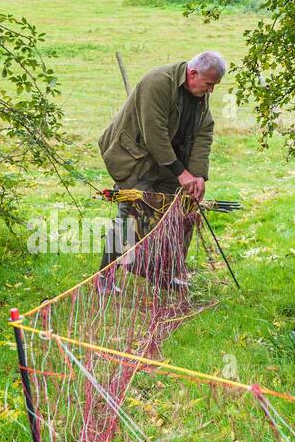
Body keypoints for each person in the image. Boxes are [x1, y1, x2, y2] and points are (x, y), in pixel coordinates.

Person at [96, 51, 225, 287]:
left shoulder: (199, 95)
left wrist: (198, 175)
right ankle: (104, 277)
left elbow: (204, 132)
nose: (211, 91)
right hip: (134, 158)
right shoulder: (158, 82)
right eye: (209, 84)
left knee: (178, 213)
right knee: (131, 216)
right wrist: (182, 173)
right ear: (192, 73)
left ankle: (164, 275)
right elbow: (154, 134)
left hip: (168, 163)